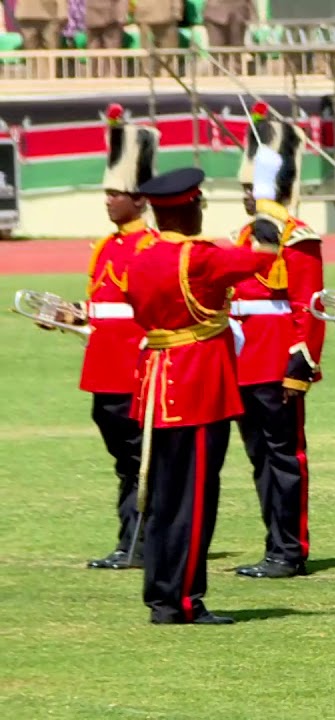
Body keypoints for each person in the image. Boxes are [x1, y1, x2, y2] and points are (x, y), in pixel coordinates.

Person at [125, 164, 280, 625]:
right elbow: (259, 260)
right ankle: (182, 600)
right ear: (190, 208)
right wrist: (267, 226)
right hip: (197, 388)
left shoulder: (140, 255)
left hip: (156, 380)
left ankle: (161, 593)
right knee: (193, 501)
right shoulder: (199, 257)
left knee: (163, 497)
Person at [228, 102, 325, 580]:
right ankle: (273, 544)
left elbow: (309, 305)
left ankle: (290, 549)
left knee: (285, 458)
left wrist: (300, 367)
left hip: (277, 362)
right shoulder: (244, 234)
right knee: (259, 459)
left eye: (252, 186)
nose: (246, 195)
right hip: (245, 360)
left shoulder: (297, 237)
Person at [77, 103, 159, 570]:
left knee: (140, 461)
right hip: (102, 370)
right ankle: (130, 538)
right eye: (107, 192)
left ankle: (141, 543)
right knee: (124, 462)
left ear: (141, 199)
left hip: (134, 370)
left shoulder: (149, 246)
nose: (109, 200)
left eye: (118, 192)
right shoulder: (105, 246)